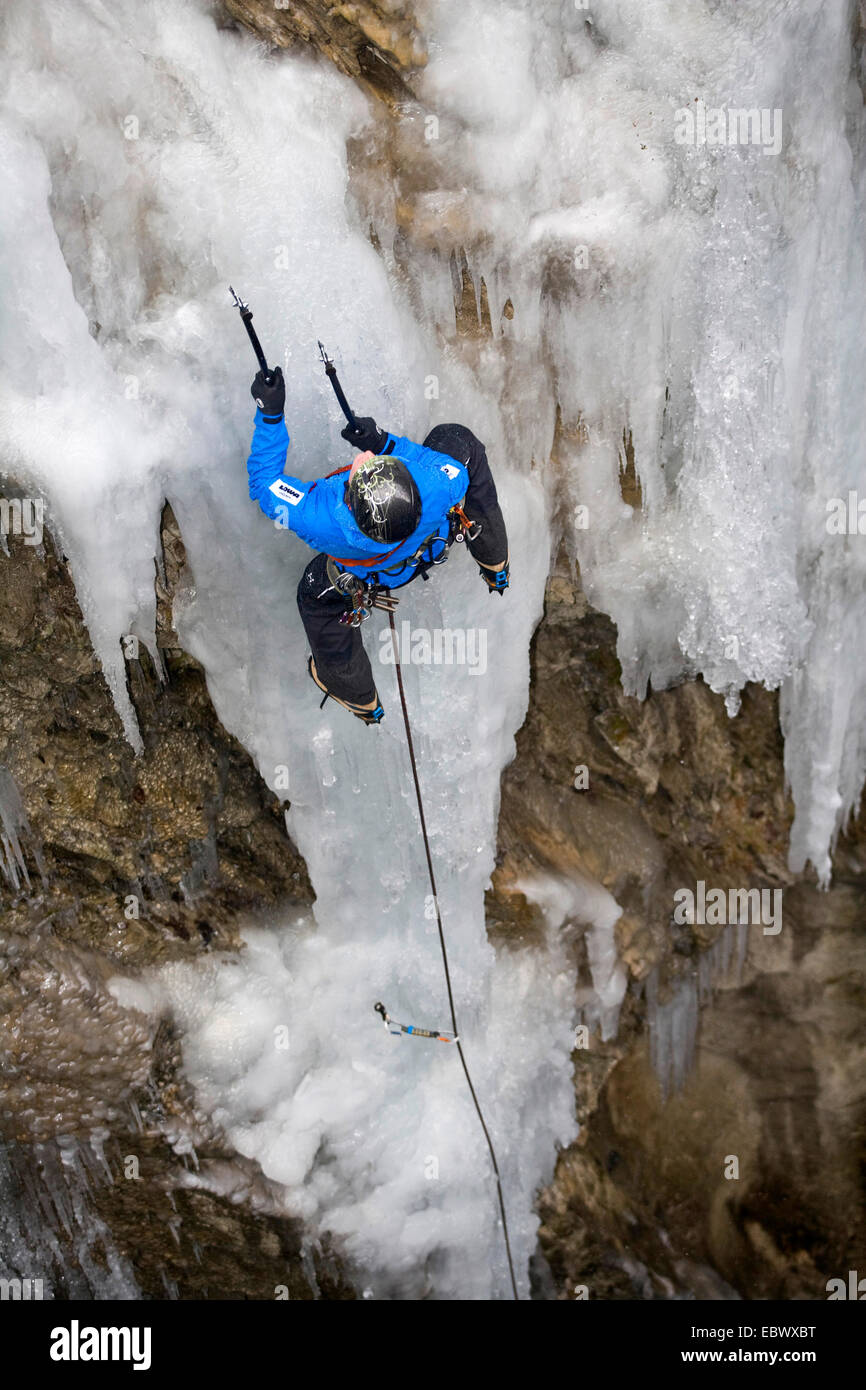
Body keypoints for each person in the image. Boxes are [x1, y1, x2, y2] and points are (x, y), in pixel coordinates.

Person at [245, 366, 509, 723]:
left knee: (314, 591)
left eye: (365, 468)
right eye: (375, 464)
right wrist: (384, 442)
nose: (364, 458)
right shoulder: (437, 484)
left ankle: (357, 695)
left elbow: (265, 483)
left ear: (350, 504)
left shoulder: (318, 519)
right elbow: (444, 458)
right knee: (454, 437)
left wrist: (271, 413)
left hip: (370, 575)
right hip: (433, 539)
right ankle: (494, 560)